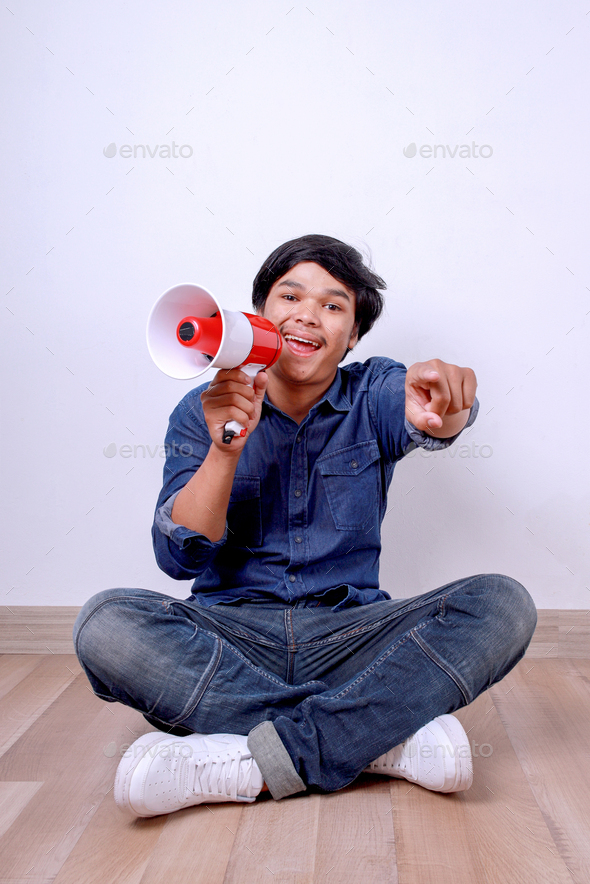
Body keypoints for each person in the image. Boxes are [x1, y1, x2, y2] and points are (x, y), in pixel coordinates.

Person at [73, 234, 537, 819]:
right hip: (230, 639)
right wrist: (225, 447)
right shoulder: (201, 411)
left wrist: (448, 405)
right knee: (104, 624)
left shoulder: (372, 393)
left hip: (350, 637)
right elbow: (179, 561)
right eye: (289, 295)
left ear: (352, 337)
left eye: (333, 305)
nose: (307, 314)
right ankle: (375, 739)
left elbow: (430, 409)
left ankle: (247, 759)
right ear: (258, 314)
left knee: (503, 603)